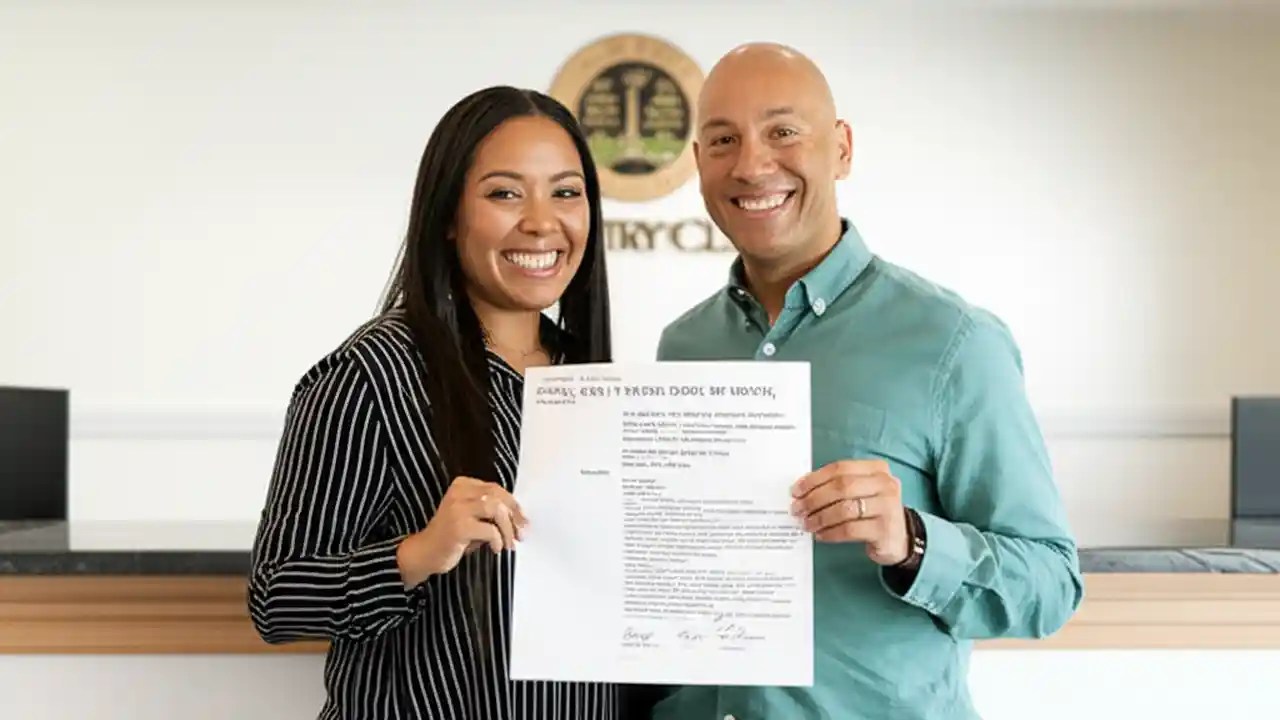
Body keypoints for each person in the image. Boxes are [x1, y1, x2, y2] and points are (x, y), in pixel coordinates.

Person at [651, 43, 1085, 719]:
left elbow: (1051, 587)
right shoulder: (682, 347)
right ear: (700, 162)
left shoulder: (955, 342)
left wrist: (912, 540)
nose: (752, 164)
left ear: (842, 149)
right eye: (722, 140)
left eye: (783, 132)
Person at [247, 86, 636, 719]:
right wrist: (420, 552)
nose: (542, 221)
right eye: (505, 193)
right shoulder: (373, 373)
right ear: (449, 217)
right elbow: (275, 599)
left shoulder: (591, 381)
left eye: (566, 192)